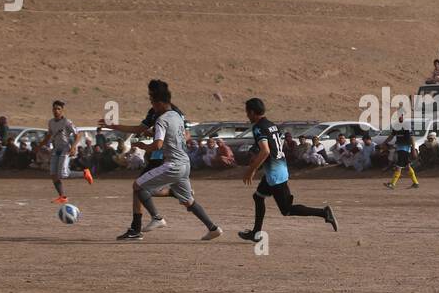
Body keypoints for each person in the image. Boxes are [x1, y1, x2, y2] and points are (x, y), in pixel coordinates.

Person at [116, 87, 220, 241]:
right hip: (185, 163)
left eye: (152, 102)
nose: (151, 105)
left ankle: (156, 218)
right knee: (188, 201)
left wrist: (143, 146)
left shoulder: (161, 119)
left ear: (158, 103)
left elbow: (157, 144)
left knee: (138, 186)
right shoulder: (176, 116)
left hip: (173, 164)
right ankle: (213, 228)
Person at [238, 98, 337, 241]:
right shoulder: (272, 125)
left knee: (287, 210)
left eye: (247, 112)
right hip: (279, 168)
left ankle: (324, 213)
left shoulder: (258, 127)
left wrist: (251, 170)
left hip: (275, 174)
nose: (247, 115)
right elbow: (275, 145)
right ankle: (256, 233)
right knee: (258, 197)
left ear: (252, 112)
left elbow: (265, 151)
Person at [36, 100, 93, 204]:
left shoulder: (67, 122)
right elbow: (49, 135)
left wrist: (73, 147)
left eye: (58, 109)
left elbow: (78, 134)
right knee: (53, 174)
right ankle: (62, 196)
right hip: (55, 149)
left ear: (62, 110)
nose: (56, 111)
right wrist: (39, 146)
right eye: (54, 109)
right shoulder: (51, 122)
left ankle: (84, 173)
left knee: (63, 174)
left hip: (65, 149)